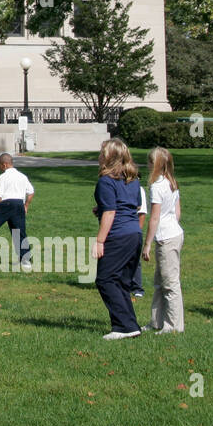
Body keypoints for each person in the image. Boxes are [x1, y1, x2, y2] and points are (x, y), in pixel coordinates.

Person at [93, 138, 142, 340]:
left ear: (108, 158)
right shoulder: (134, 180)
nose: (98, 156)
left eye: (101, 153)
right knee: (122, 281)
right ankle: (130, 324)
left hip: (118, 235)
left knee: (105, 279)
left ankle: (123, 326)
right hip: (134, 234)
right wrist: (102, 208)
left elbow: (111, 213)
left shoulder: (106, 181)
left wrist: (99, 241)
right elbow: (134, 206)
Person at [141, 147, 184, 333]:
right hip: (174, 233)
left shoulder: (158, 186)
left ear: (155, 164)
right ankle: (156, 321)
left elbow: (155, 218)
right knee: (159, 282)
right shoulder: (171, 182)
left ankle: (173, 326)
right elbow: (178, 212)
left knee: (170, 283)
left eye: (150, 162)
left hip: (166, 237)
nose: (148, 165)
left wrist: (147, 243)